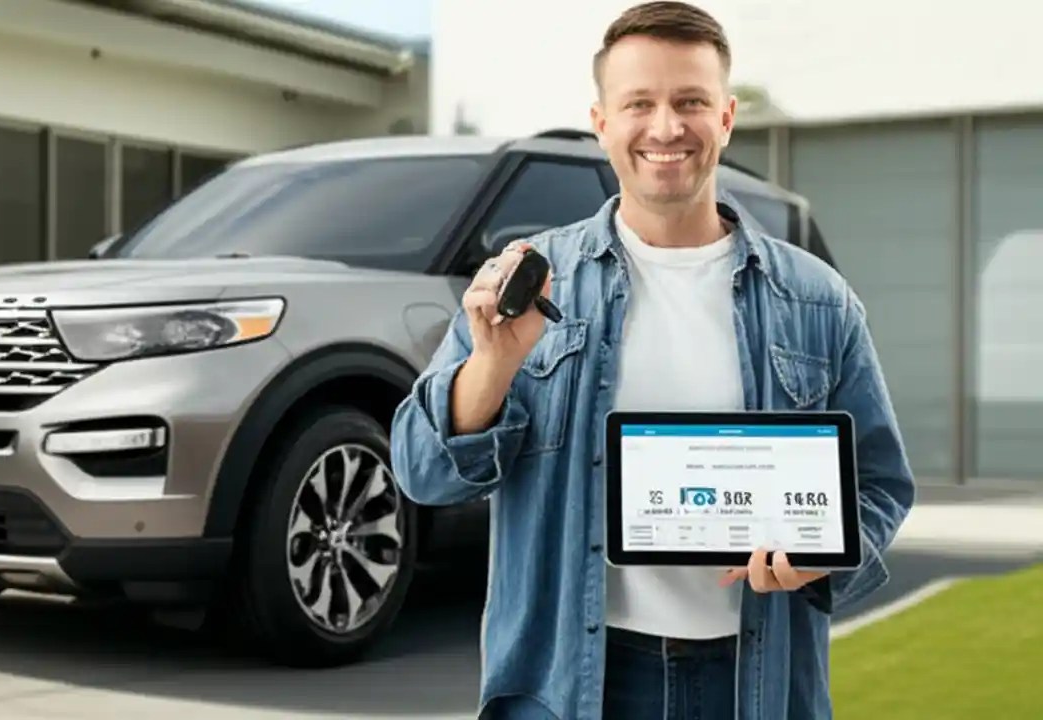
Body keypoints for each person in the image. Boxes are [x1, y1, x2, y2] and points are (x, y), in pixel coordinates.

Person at [389, 2, 915, 719]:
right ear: (602, 122)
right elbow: (422, 473)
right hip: (574, 685)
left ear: (726, 118)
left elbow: (880, 484)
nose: (666, 128)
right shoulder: (533, 282)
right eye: (640, 103)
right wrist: (491, 365)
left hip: (755, 685)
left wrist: (825, 552)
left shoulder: (818, 300)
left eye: (690, 102)